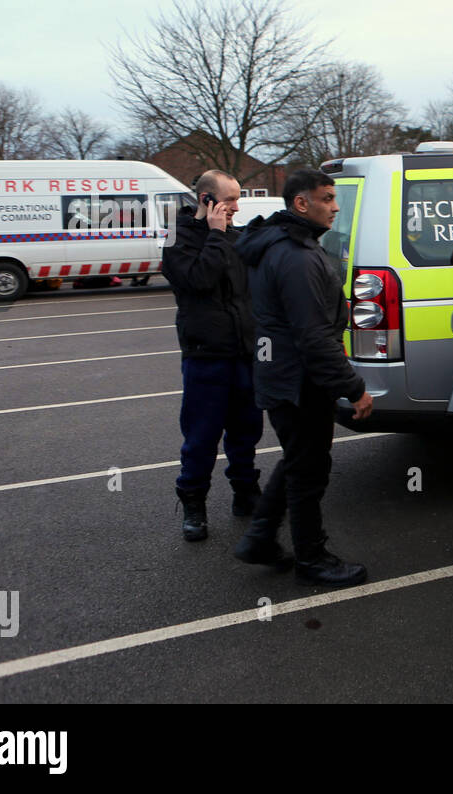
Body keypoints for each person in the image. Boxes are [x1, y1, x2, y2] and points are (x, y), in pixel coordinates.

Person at [232, 169, 374, 586]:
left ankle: (259, 539)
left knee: (298, 460)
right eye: (327, 198)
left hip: (283, 375)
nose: (335, 206)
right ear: (300, 203)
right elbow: (313, 336)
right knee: (310, 470)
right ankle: (312, 558)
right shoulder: (296, 255)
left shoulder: (281, 244)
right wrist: (354, 387)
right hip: (299, 381)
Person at [161, 169, 263, 543]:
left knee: (246, 429)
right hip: (206, 355)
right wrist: (217, 234)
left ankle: (245, 492)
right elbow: (199, 279)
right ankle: (193, 503)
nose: (237, 206)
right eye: (230, 199)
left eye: (238, 198)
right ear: (207, 200)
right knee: (202, 435)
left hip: (244, 353)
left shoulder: (236, 236)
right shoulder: (178, 239)